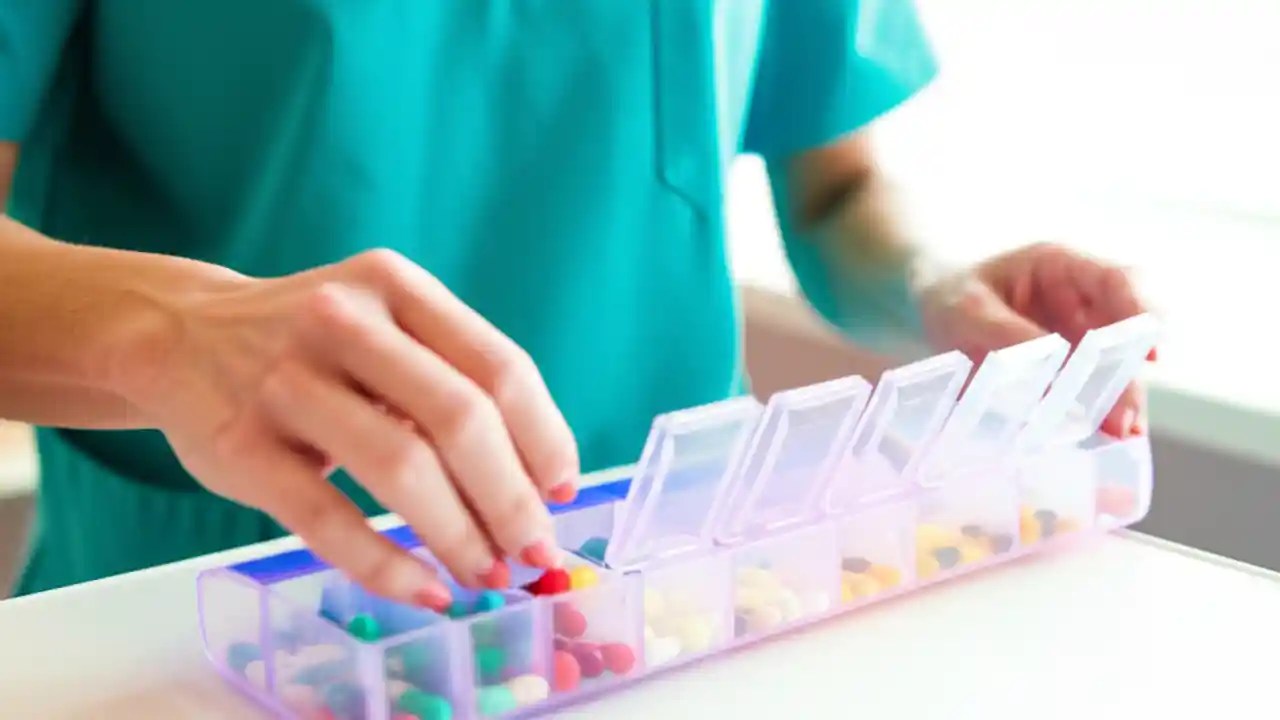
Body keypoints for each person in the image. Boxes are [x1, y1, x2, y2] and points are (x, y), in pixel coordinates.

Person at [0, 1, 1153, 605]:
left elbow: (835, 181)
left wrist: (932, 288)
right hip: (234, 612)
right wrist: (173, 335)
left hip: (681, 591)